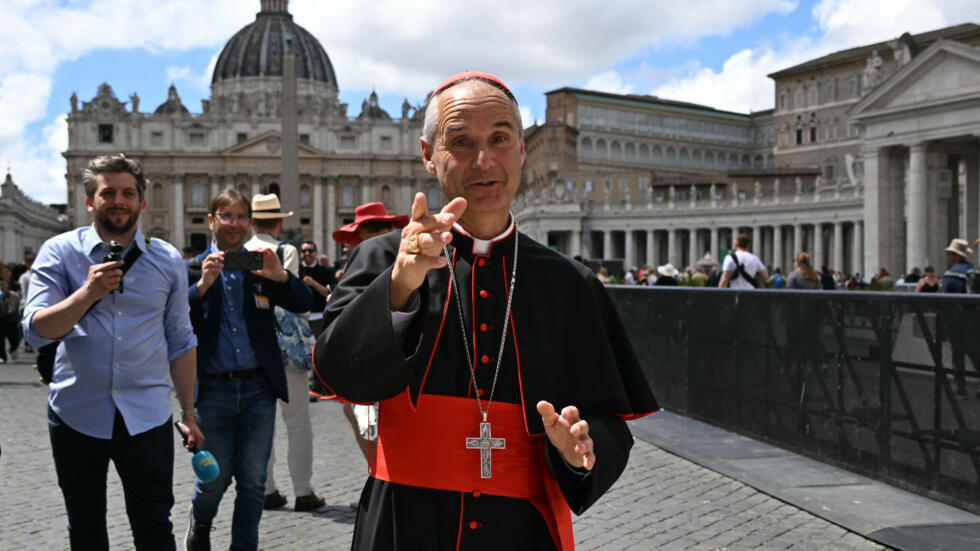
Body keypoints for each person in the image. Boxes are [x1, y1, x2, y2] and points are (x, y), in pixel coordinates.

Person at [312, 71, 659, 550]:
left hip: (523, 530)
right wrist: (399, 287)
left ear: (522, 149)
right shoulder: (382, 259)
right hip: (403, 524)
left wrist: (581, 447)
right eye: (460, 141)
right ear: (428, 155)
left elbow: (608, 420)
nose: (483, 160)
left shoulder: (570, 283)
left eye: (499, 138)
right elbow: (337, 375)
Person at [21, 153, 200, 550]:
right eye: (108, 193)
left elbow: (181, 339)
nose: (118, 201)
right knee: (85, 529)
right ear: (89, 200)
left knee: (155, 528)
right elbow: (35, 332)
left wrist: (189, 414)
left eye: (127, 193)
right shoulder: (59, 251)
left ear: (142, 201)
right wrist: (87, 294)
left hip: (148, 415)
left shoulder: (168, 259)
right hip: (76, 412)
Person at [184, 189, 313, 551]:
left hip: (258, 387)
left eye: (241, 217)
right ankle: (201, 519)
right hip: (213, 389)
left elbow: (304, 302)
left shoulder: (259, 265)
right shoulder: (191, 267)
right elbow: (174, 318)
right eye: (226, 215)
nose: (234, 223)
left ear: (250, 223)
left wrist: (280, 276)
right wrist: (201, 286)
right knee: (215, 476)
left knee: (254, 480)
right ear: (211, 220)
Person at [243, 193, 327, 513]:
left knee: (260, 422)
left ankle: (267, 490)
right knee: (297, 421)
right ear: (279, 222)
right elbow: (291, 297)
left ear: (252, 222)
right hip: (286, 345)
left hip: (255, 344)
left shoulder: (241, 253)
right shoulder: (285, 250)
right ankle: (303, 491)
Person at [328, 201, 410, 465]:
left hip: (372, 352)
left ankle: (378, 472)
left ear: (362, 231)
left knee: (362, 416)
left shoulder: (368, 251)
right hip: (407, 353)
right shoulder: (402, 249)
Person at [298, 240, 336, 337]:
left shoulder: (325, 271)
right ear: (300, 253)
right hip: (299, 316)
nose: (307, 253)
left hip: (318, 317)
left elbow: (329, 293)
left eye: (310, 251)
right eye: (304, 251)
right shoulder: (296, 269)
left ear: (316, 253)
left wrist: (314, 283)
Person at [0, 264, 21, 362]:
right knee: (0, 338)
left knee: (14, 337)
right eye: (3, 272)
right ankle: (2, 356)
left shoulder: (16, 284)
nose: (5, 274)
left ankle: (13, 349)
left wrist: (8, 292)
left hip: (12, 314)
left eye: (7, 272)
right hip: (1, 314)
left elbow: (19, 297)